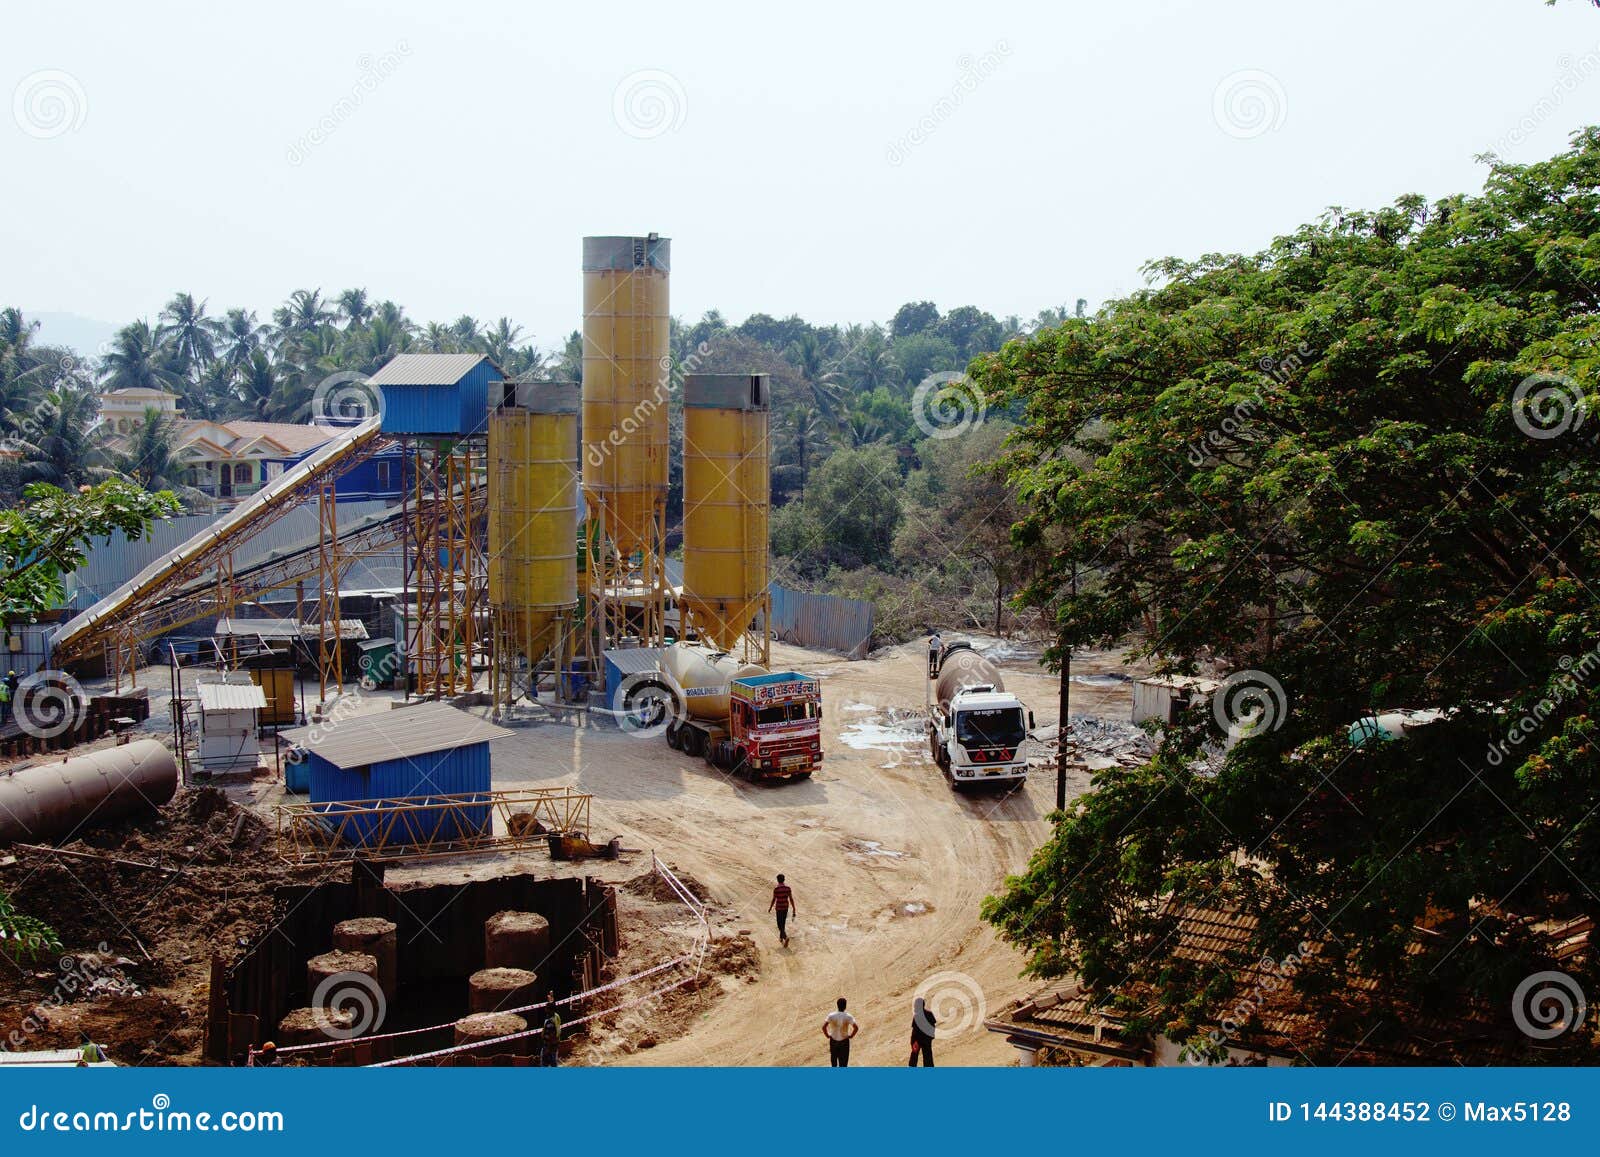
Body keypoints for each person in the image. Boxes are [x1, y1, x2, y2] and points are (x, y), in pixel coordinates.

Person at [822, 997, 858, 1067]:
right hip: (844, 1042)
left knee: (834, 1063)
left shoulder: (831, 1015)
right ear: (845, 1006)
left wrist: (827, 1035)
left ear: (837, 1005)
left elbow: (823, 1027)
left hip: (833, 1041)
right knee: (843, 1064)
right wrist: (851, 1036)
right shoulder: (848, 1016)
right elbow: (856, 1028)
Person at [768, 873, 796, 946]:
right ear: (784, 879)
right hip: (785, 907)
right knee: (783, 923)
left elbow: (774, 899)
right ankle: (781, 938)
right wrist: (794, 908)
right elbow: (791, 899)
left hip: (779, 908)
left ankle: (785, 937)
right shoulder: (788, 888)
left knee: (779, 924)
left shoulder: (776, 889)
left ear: (777, 880)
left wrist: (770, 907)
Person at [908, 997, 936, 1066]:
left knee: (914, 1058)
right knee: (928, 1058)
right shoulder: (929, 1014)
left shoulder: (917, 1017)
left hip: (919, 1041)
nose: (914, 1007)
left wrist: (913, 1042)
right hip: (926, 1040)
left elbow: (914, 1031)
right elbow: (933, 1027)